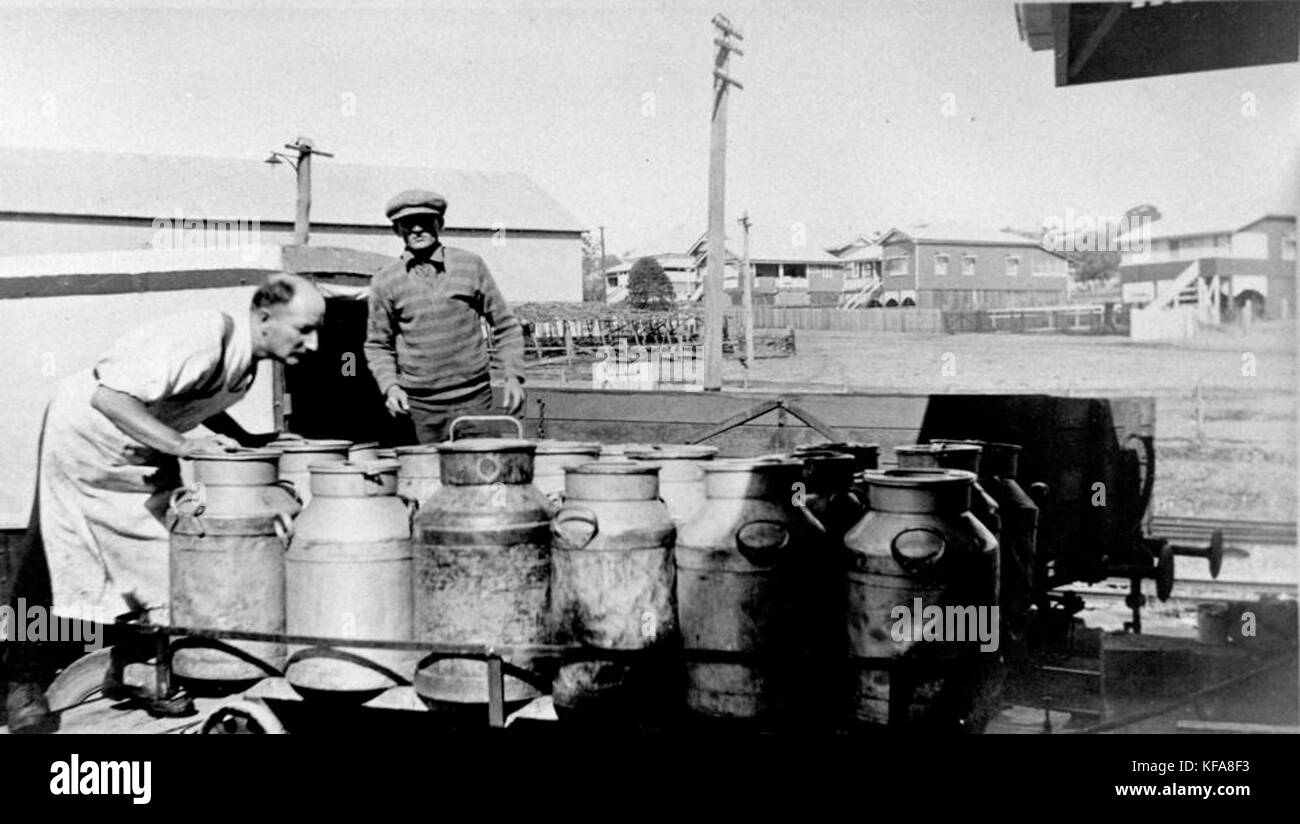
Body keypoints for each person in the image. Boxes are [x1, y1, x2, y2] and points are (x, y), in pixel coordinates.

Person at [3, 274, 325, 733]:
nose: (312, 345)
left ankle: (134, 672)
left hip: (138, 452)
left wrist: (246, 439)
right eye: (305, 329)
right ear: (265, 318)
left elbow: (196, 397)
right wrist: (184, 446)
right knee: (53, 555)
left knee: (162, 561)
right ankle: (20, 681)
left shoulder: (246, 364)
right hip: (85, 438)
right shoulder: (204, 337)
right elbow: (109, 397)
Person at [364, 189, 526, 444]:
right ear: (397, 230)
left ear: (439, 224)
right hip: (419, 409)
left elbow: (506, 325)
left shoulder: (470, 265)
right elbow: (377, 344)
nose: (417, 229)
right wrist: (391, 387)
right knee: (424, 479)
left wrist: (513, 376)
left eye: (425, 221)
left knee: (480, 475)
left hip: (474, 401)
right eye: (408, 223)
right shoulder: (385, 280)